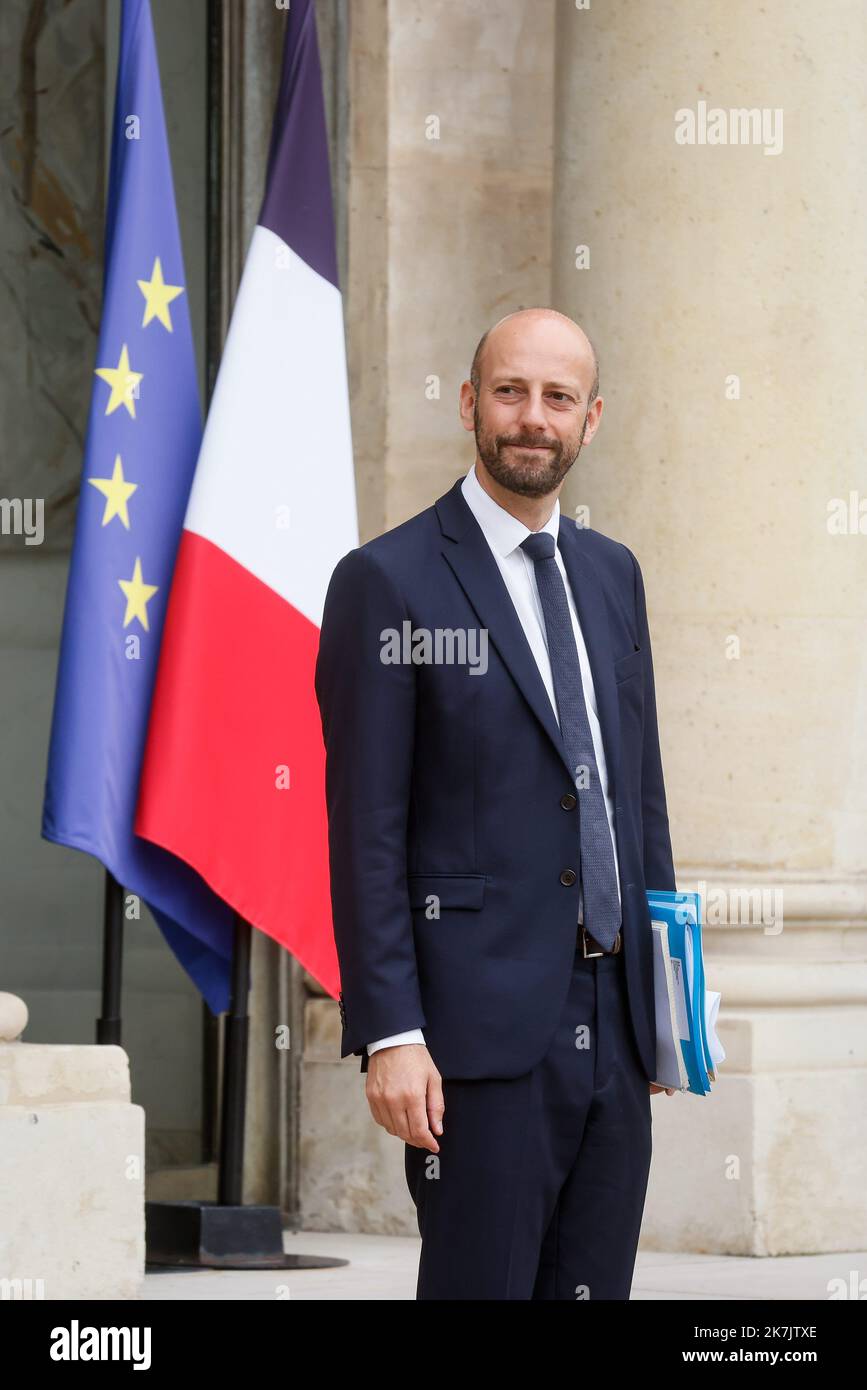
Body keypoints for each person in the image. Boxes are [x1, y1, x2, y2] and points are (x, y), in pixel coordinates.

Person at [314, 307, 677, 1300]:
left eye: (558, 398)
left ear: (591, 419)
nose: (532, 418)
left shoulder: (612, 577)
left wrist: (665, 1002)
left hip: (614, 1022)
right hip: (476, 1036)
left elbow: (635, 798)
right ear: (471, 404)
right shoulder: (386, 581)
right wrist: (391, 1031)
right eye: (510, 391)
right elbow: (366, 829)